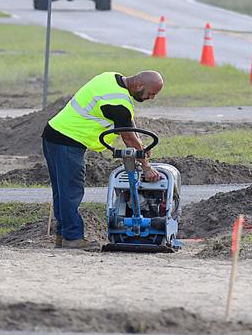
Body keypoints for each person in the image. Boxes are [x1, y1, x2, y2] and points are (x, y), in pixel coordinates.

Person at [43, 71, 164, 250]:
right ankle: (73, 238)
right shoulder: (117, 103)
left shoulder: (110, 78)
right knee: (71, 191)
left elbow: (129, 124)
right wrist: (146, 166)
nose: (152, 98)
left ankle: (63, 235)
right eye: (151, 93)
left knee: (62, 191)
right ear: (139, 86)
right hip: (67, 141)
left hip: (53, 134)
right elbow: (128, 137)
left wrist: (142, 146)